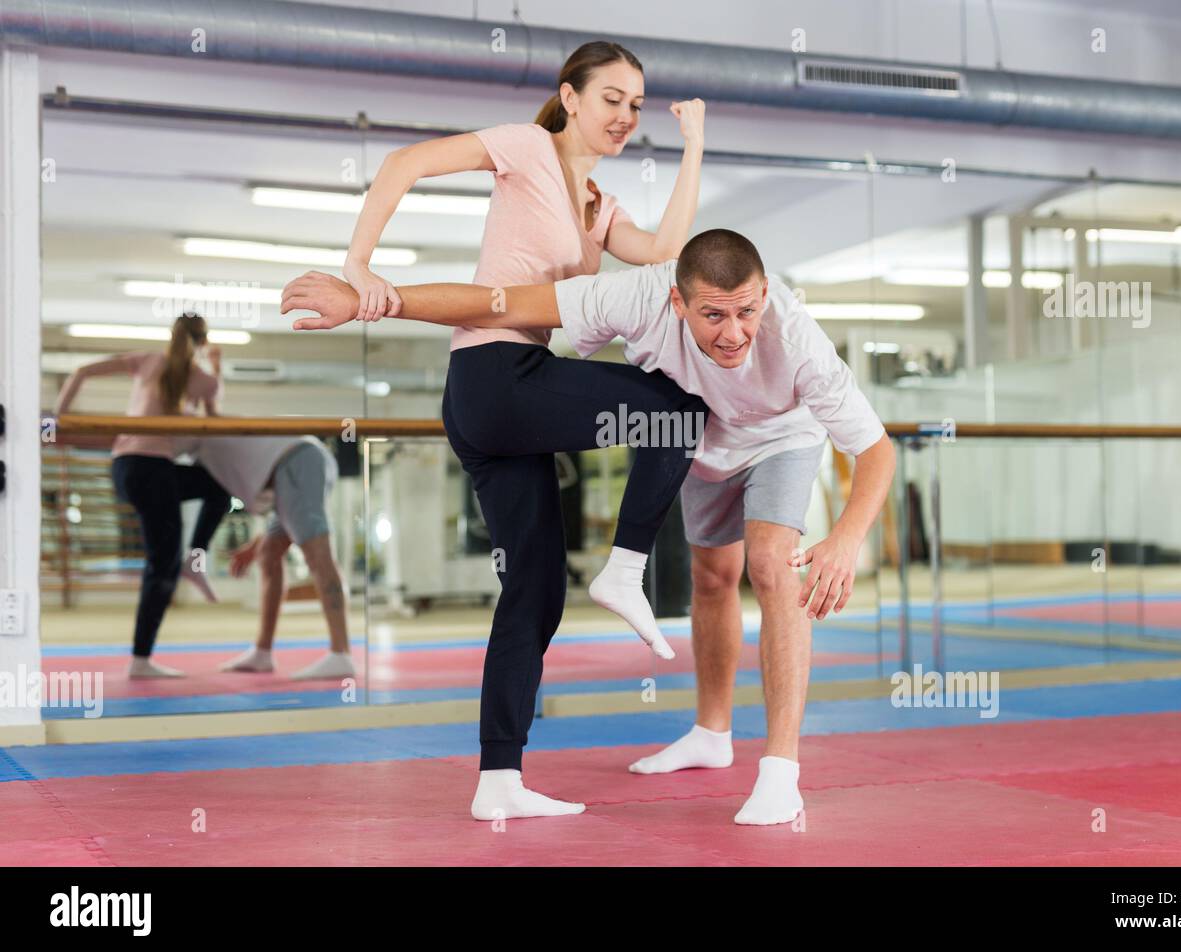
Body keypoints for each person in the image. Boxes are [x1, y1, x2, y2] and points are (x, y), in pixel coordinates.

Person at [280, 228, 897, 826]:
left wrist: (845, 539)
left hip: (778, 438)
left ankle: (781, 771)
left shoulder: (796, 337)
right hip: (699, 439)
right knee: (711, 577)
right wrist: (368, 302)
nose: (735, 334)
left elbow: (876, 450)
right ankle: (711, 733)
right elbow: (502, 303)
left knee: (769, 565)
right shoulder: (634, 294)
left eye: (748, 312)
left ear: (765, 294)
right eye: (714, 316)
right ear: (676, 300)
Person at [332, 39, 709, 820]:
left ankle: (498, 776)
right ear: (569, 97)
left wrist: (696, 144)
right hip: (500, 379)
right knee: (675, 411)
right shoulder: (527, 147)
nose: (626, 117)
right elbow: (403, 161)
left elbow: (668, 254)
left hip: (495, 405)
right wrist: (359, 268)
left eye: (637, 105)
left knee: (534, 593)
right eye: (612, 99)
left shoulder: (599, 206)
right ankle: (626, 569)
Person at [53, 312, 231, 679]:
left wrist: (59, 416)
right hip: (153, 470)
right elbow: (215, 421)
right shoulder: (201, 379)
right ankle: (141, 657)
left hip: (124, 468)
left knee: (215, 488)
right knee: (162, 562)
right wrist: (216, 369)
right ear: (202, 342)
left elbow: (82, 371)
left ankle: (192, 564)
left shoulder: (148, 359)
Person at [180, 434, 352, 681]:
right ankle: (263, 652)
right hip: (289, 471)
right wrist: (256, 543)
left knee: (318, 553)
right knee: (269, 554)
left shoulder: (200, 441)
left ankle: (341, 654)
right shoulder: (214, 455)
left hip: (296, 461)